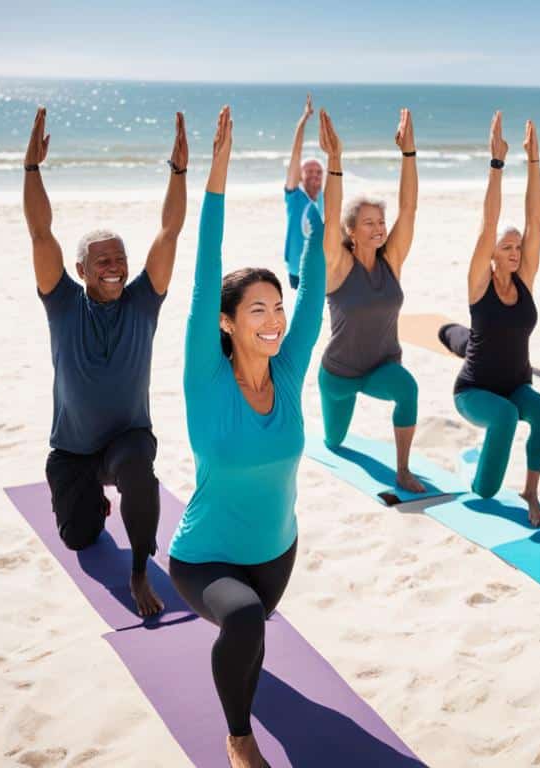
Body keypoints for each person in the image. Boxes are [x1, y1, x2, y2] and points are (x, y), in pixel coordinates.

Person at [167, 105, 326, 768]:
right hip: (204, 558)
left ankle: (250, 684)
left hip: (277, 551)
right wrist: (218, 172)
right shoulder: (206, 377)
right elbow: (207, 268)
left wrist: (326, 192)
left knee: (255, 641)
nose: (274, 318)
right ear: (228, 323)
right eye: (256, 309)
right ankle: (238, 738)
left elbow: (318, 281)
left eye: (276, 306)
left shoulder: (289, 370)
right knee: (242, 621)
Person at [25, 106, 187, 618]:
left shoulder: (143, 301)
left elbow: (169, 232)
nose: (115, 268)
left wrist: (179, 172)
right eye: (103, 261)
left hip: (127, 438)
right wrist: (32, 170)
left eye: (120, 258)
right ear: (81, 269)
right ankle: (94, 501)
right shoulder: (62, 301)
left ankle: (140, 565)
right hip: (72, 449)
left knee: (139, 470)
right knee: (78, 537)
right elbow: (40, 233)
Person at [439, 113, 540, 526]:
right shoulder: (479, 283)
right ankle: (481, 479)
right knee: (503, 420)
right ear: (492, 252)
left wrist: (535, 160)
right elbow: (488, 224)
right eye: (507, 246)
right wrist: (498, 164)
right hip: (475, 391)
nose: (514, 251)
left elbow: (536, 219)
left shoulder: (524, 280)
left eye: (517, 246)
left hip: (516, 386)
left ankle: (531, 490)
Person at [317, 108, 424, 492]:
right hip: (339, 376)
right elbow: (329, 219)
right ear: (351, 230)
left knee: (408, 390)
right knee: (334, 441)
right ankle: (333, 431)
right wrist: (335, 160)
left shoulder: (390, 261)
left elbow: (409, 209)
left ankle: (403, 470)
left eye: (381, 223)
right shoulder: (339, 265)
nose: (379, 229)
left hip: (381, 367)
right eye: (370, 223)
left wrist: (408, 154)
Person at [283, 94, 324, 290]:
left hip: (319, 267)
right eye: (310, 171)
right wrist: (304, 119)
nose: (315, 175)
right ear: (300, 175)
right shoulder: (295, 197)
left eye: (319, 171)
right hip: (297, 271)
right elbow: (296, 154)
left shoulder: (325, 198)